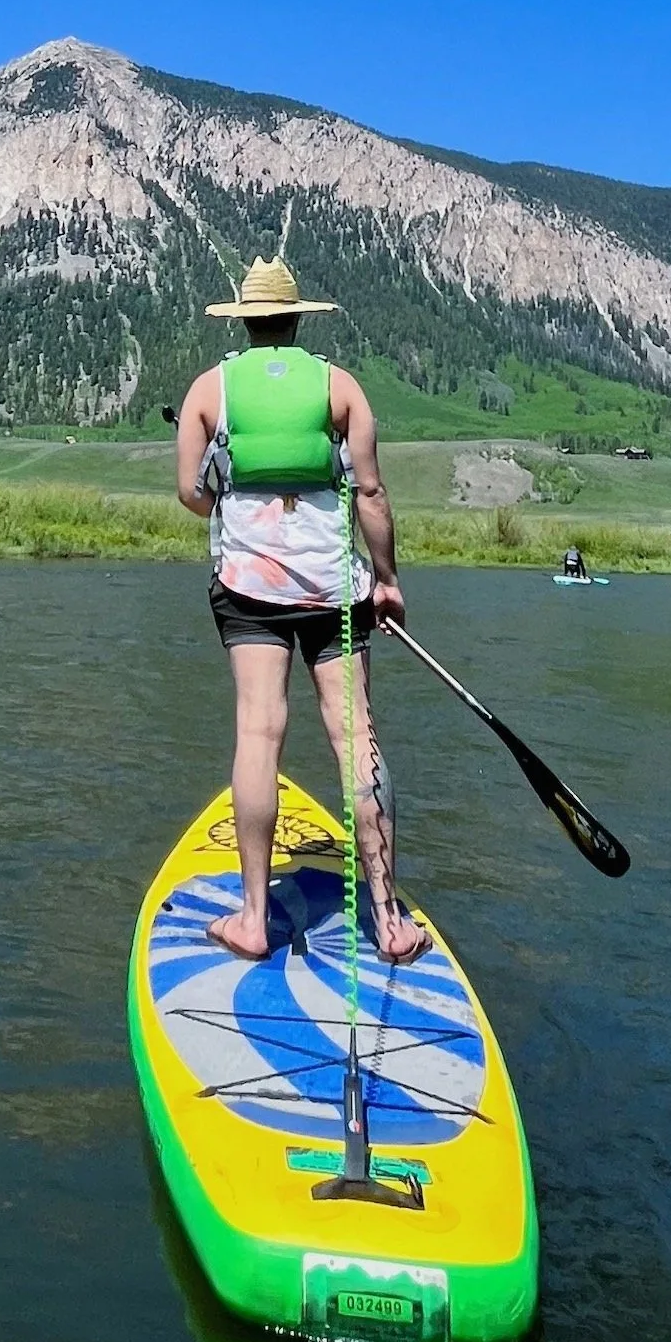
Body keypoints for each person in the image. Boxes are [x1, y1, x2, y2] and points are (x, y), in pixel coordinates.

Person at [175, 257, 428, 965]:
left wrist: (225, 480)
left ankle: (254, 920)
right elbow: (371, 495)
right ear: (294, 318)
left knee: (258, 732)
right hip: (332, 592)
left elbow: (193, 498)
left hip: (247, 587)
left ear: (247, 322)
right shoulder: (338, 385)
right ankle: (388, 922)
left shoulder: (208, 391)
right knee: (356, 737)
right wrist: (387, 581)